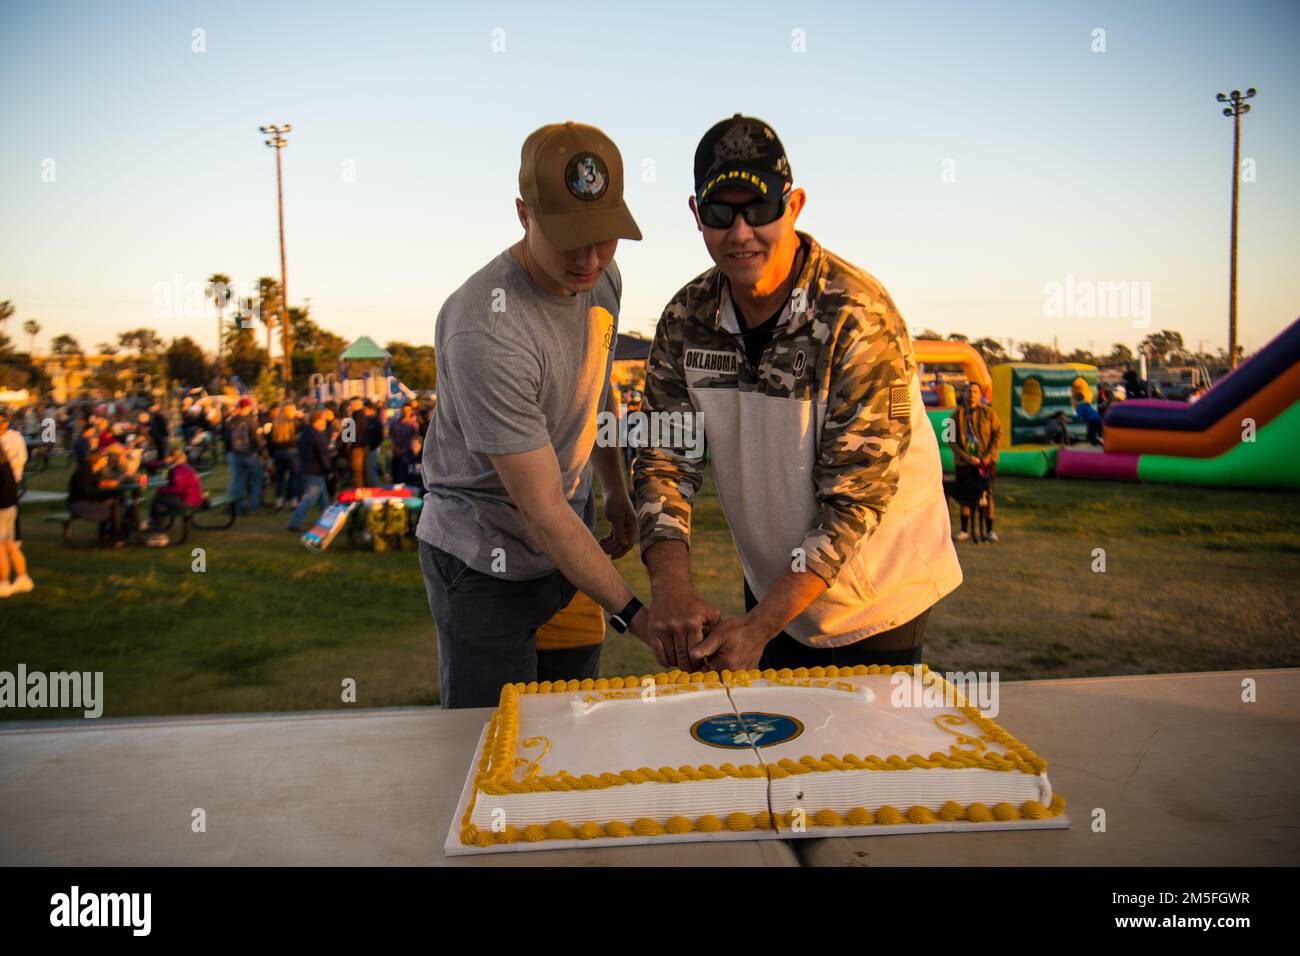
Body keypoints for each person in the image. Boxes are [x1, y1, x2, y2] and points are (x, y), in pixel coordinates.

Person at [633, 114, 962, 673]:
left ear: (794, 205)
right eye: (720, 212)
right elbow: (663, 458)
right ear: (696, 214)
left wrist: (760, 626)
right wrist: (671, 586)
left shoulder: (858, 318)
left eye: (758, 210)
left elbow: (854, 501)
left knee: (861, 757)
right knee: (778, 752)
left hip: (876, 595)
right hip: (774, 584)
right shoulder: (685, 319)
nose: (740, 233)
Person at [416, 120, 653, 708]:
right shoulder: (485, 327)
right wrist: (639, 619)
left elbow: (594, 387)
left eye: (604, 235)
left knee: (573, 727)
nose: (589, 257)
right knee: (492, 751)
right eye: (569, 236)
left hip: (571, 539)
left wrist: (616, 491)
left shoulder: (603, 278)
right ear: (524, 214)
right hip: (485, 560)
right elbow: (541, 509)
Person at [948, 382, 1002, 542]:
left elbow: (998, 434)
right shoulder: (954, 415)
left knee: (988, 495)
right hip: (964, 463)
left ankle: (990, 530)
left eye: (975, 391)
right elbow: (949, 439)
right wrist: (964, 456)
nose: (971, 394)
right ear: (963, 394)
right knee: (965, 496)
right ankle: (964, 530)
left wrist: (988, 455)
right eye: (968, 391)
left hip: (986, 462)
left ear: (980, 395)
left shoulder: (989, 413)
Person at [0, 410, 34, 597]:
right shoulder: (6, 468)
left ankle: (4, 583)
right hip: (11, 503)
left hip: (3, 506)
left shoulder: (15, 439)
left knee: (2, 547)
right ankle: (23, 578)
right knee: (11, 544)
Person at [144, 448, 204, 545]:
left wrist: (162, 489)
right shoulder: (186, 467)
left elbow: (178, 488)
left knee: (159, 497)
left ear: (172, 457)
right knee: (160, 506)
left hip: (189, 502)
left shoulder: (179, 469)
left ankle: (155, 527)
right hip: (194, 500)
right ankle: (158, 531)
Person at [288, 408, 334, 532]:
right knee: (309, 499)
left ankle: (329, 522)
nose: (325, 423)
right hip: (315, 471)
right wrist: (328, 468)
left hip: (308, 469)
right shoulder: (316, 434)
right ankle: (294, 523)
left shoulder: (307, 432)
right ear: (317, 421)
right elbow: (322, 453)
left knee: (324, 500)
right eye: (323, 420)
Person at [68, 450, 125, 547]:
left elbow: (99, 489)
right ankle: (114, 538)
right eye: (104, 459)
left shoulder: (96, 472)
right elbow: (86, 492)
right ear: (97, 459)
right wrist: (103, 500)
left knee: (119, 504)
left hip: (90, 501)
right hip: (79, 504)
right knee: (116, 508)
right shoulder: (83, 472)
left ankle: (111, 536)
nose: (106, 460)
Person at [225, 397, 265, 515]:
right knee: (257, 480)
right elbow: (256, 439)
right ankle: (254, 508)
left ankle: (238, 508)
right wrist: (260, 449)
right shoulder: (251, 420)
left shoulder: (232, 420)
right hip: (250, 454)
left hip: (236, 454)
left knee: (238, 481)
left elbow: (227, 438)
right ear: (247, 407)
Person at [268, 403, 301, 511]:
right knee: (294, 477)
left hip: (278, 452)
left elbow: (270, 440)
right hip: (292, 451)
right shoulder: (294, 422)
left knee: (279, 478)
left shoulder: (276, 422)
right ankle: (294, 501)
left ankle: (279, 501)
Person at [388, 403, 419, 482]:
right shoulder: (395, 423)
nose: (406, 412)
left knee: (403, 475)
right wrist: (394, 448)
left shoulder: (413, 424)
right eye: (404, 410)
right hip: (396, 451)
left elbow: (416, 438)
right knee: (395, 474)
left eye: (408, 410)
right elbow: (391, 437)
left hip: (407, 452)